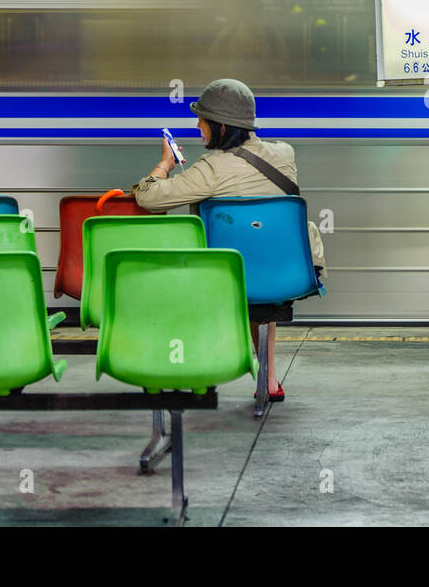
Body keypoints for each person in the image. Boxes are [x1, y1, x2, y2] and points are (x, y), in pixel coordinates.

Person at [132, 78, 325, 408]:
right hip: (287, 273)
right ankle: (270, 377)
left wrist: (165, 164)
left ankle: (196, 367)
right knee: (257, 263)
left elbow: (148, 197)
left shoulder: (211, 168)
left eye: (202, 120)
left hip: (226, 277)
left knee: (231, 264)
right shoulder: (285, 154)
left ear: (220, 126)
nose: (197, 126)